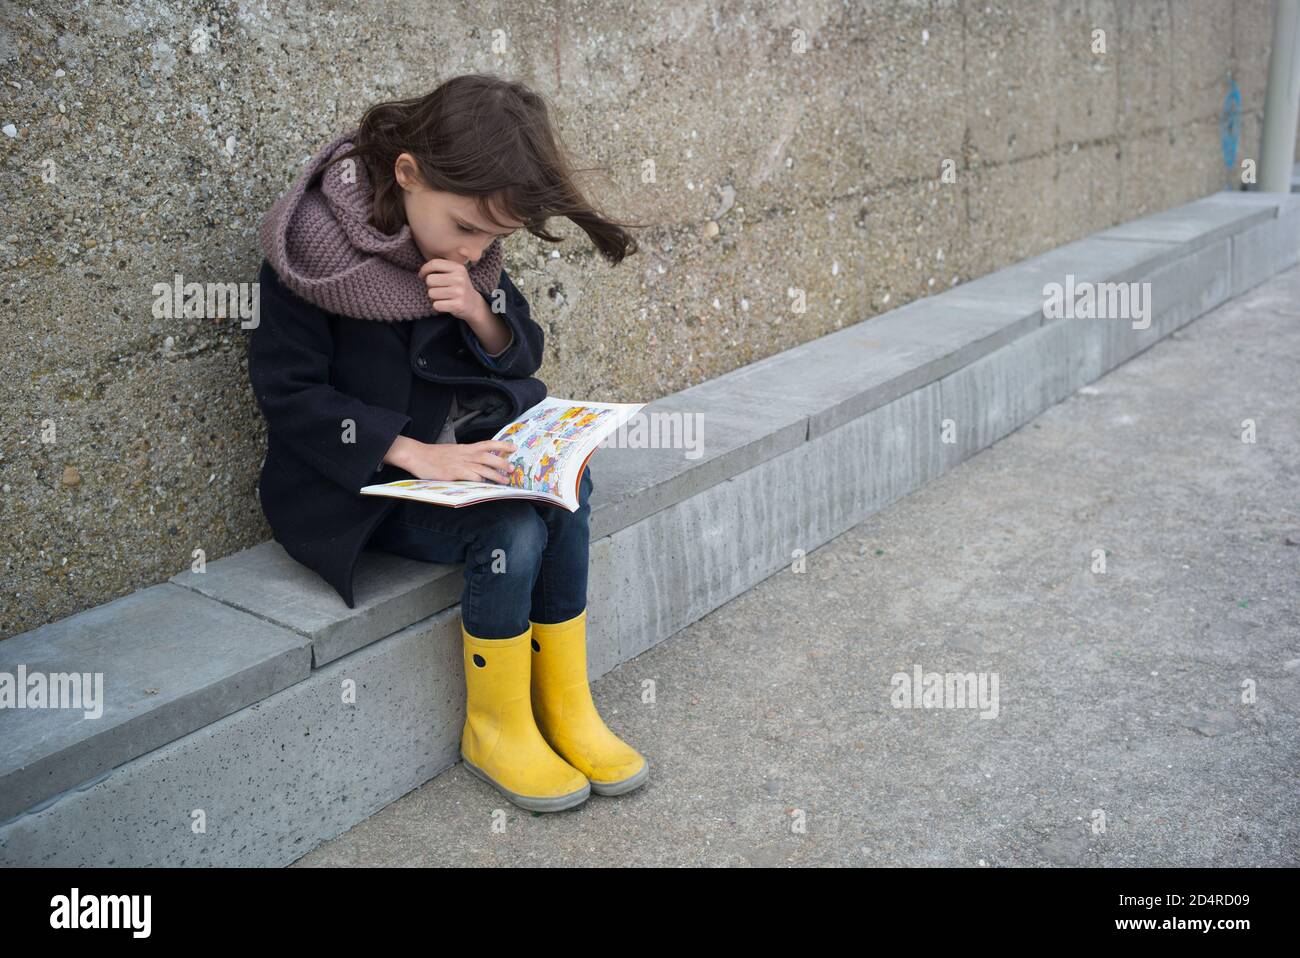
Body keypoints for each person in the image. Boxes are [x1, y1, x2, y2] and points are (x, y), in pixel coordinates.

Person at [248, 74, 649, 812]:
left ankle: (565, 703)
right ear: (407, 174)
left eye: (492, 238)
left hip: (465, 455)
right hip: (364, 487)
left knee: (569, 489)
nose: (476, 249)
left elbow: (519, 348)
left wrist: (481, 314)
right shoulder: (312, 257)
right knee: (509, 530)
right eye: (467, 229)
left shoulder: (465, 248)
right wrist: (411, 452)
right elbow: (289, 395)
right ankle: (495, 727)